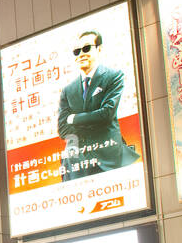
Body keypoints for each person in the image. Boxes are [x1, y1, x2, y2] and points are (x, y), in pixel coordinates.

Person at [57, 29, 140, 180]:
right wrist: (92, 119)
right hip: (78, 163)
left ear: (99, 49)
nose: (81, 54)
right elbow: (63, 128)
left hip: (109, 158)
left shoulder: (113, 76)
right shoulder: (67, 90)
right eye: (77, 51)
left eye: (87, 48)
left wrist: (74, 119)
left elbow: (106, 114)